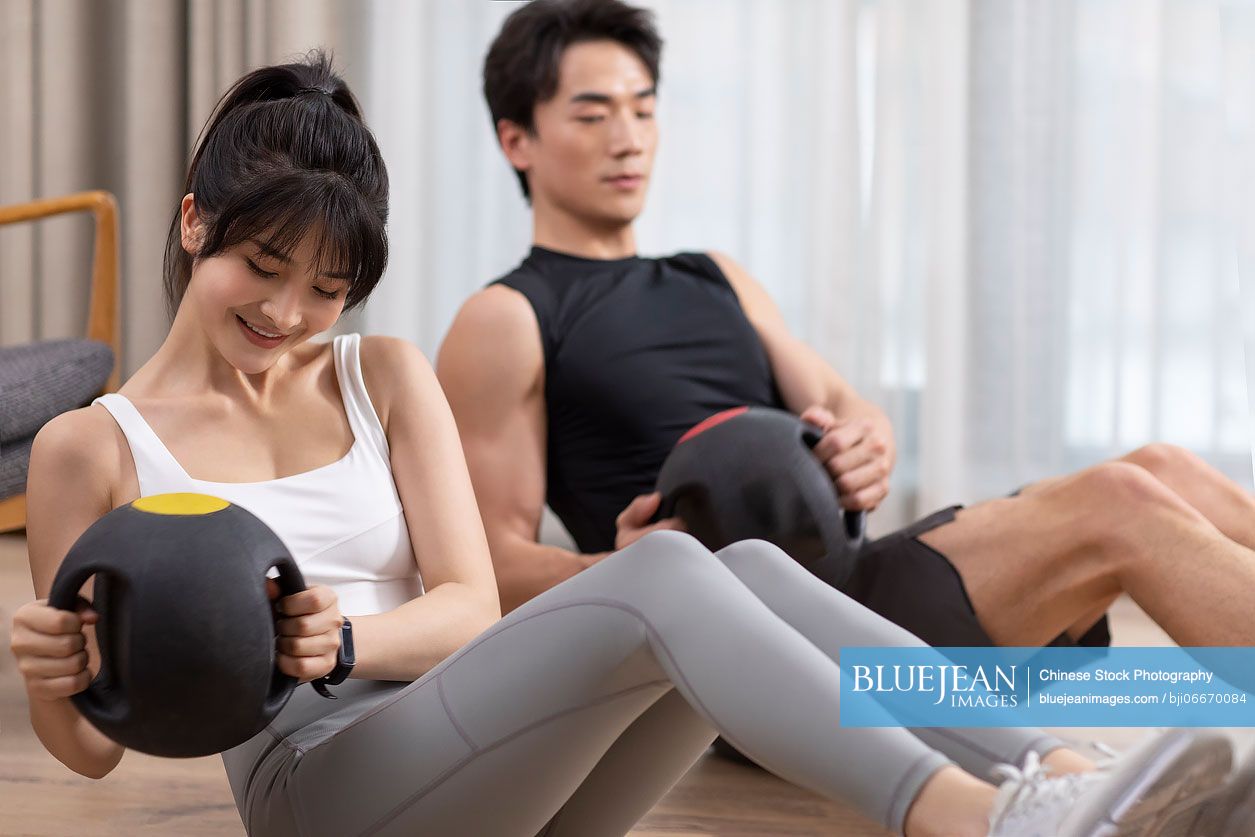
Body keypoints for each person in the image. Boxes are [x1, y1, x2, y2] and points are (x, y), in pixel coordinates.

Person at [6, 53, 1235, 837]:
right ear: (193, 225)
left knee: (749, 570)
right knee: (659, 572)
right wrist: (55, 676)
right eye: (260, 271)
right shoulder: (90, 448)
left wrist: (346, 634)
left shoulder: (378, 374)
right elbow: (94, 756)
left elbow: (469, 603)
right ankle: (971, 822)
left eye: (327, 288)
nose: (287, 316)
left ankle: (1070, 774)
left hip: (489, 751)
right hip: (324, 791)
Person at [440, 0, 1255, 662]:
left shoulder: (713, 273)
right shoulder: (508, 315)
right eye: (592, 114)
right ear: (517, 139)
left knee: (1160, 468)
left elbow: (841, 401)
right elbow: (488, 561)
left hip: (855, 574)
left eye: (643, 109)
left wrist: (867, 440)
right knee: (1118, 502)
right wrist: (619, 569)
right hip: (758, 640)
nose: (629, 138)